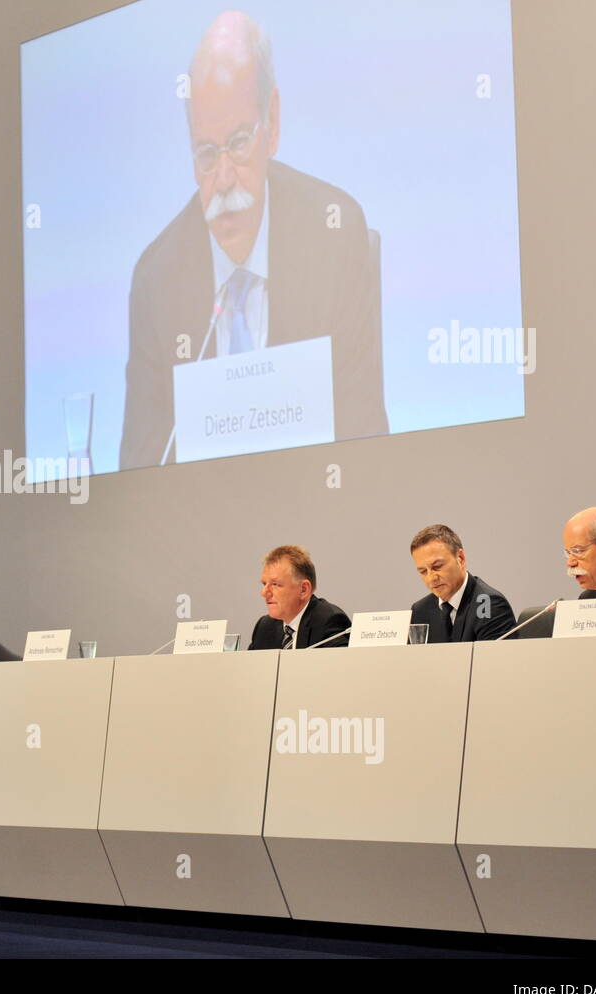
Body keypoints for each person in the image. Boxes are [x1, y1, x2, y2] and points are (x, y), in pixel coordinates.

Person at [119, 10, 387, 470]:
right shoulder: (156, 280)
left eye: (240, 142)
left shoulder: (334, 235)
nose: (224, 178)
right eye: (206, 153)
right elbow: (141, 468)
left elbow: (365, 437)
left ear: (273, 124)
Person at [408, 524, 516, 642]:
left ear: (461, 558)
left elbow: (493, 659)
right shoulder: (420, 611)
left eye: (437, 566)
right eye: (423, 571)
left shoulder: (488, 604)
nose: (431, 578)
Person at [249, 545, 350, 650]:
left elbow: (344, 665)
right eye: (264, 584)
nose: (264, 592)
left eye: (275, 584)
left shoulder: (328, 621)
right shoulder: (264, 627)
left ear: (303, 590)